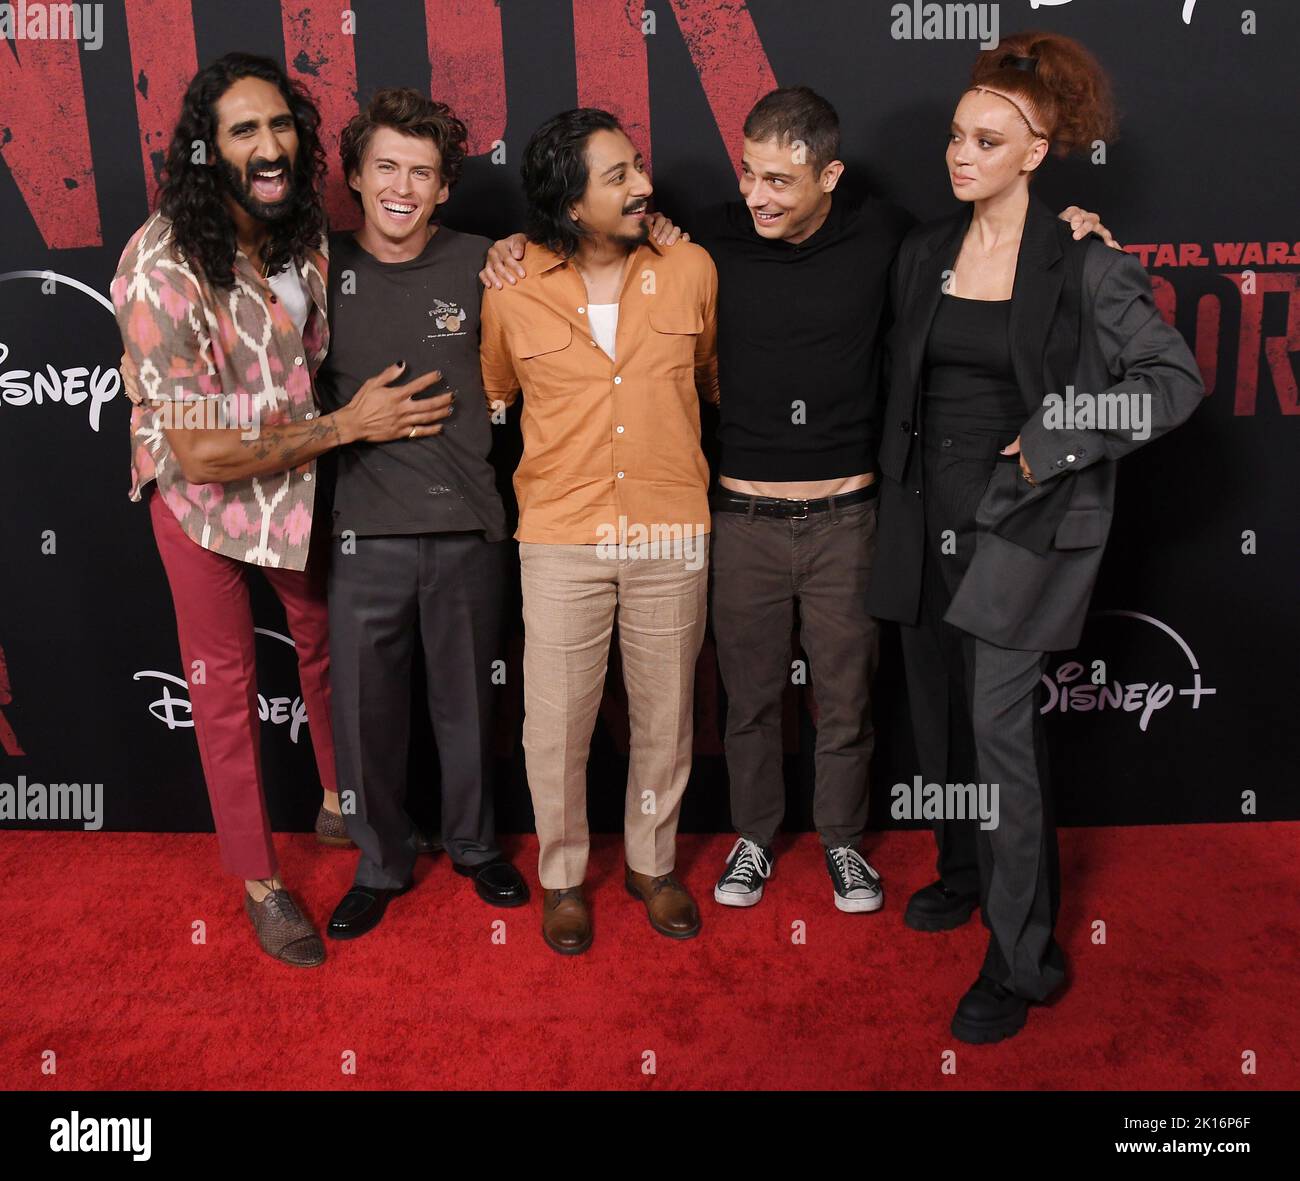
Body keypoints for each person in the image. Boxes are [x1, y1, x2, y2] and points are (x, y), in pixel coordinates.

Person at [481, 87, 1116, 916]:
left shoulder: (878, 237)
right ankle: (743, 838)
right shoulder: (698, 242)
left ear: (831, 176)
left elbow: (987, 237)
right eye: (748, 173)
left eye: (780, 180)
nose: (757, 196)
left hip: (847, 517)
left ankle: (840, 843)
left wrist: (1075, 234)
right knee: (741, 703)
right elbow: (535, 364)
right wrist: (513, 247)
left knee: (844, 698)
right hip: (733, 518)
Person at [867, 32, 1204, 1042]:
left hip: (1027, 519)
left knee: (1002, 735)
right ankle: (962, 868)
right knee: (940, 714)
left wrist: (1057, 434)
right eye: (954, 135)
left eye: (985, 139)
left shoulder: (1085, 264)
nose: (958, 154)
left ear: (1035, 151)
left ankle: (1022, 957)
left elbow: (1172, 384)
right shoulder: (924, 251)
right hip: (925, 517)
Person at [112, 53, 451, 967]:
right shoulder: (158, 271)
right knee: (222, 689)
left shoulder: (298, 227)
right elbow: (206, 453)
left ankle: (346, 808)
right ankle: (262, 880)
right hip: (201, 500)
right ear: (203, 151)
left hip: (294, 486)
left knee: (329, 646)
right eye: (242, 130)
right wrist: (348, 426)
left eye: (280, 125)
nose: (268, 146)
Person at [479, 109, 719, 955]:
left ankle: (653, 865)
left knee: (666, 714)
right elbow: (499, 393)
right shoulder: (509, 287)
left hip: (669, 529)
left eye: (638, 166)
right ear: (569, 201)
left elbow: (707, 377)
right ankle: (564, 877)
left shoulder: (690, 266)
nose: (642, 184)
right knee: (556, 723)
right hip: (559, 535)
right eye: (617, 174)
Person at [316, 88, 528, 941]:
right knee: (365, 715)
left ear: (444, 188)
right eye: (387, 167)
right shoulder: (317, 269)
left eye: (424, 172)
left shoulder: (488, 261)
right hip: (362, 530)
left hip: (469, 525)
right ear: (357, 178)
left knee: (469, 704)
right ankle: (380, 860)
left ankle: (477, 845)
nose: (403, 186)